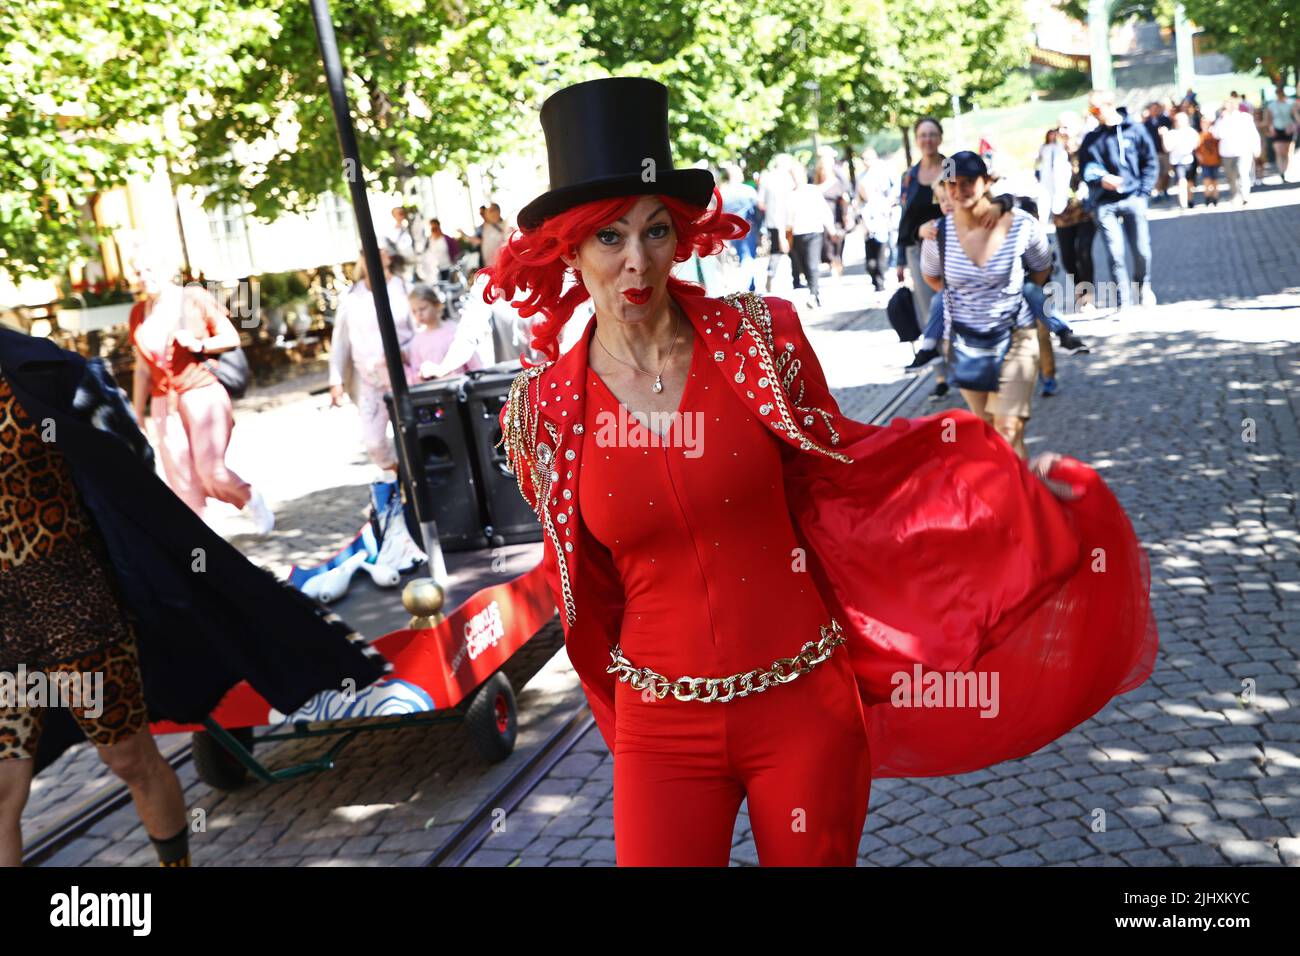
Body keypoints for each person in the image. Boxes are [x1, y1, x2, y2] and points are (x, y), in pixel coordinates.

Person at [487, 76, 1158, 867]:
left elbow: (850, 470)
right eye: (609, 236)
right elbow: (584, 584)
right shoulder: (542, 413)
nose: (637, 261)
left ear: (684, 235)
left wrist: (1000, 489)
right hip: (660, 726)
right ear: (568, 245)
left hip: (800, 705)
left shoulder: (758, 339)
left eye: (657, 230)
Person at [0, 328, 387, 867]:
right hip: (5, 631)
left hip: (74, 607)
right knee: (2, 789)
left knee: (128, 758)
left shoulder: (38, 372)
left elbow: (126, 455)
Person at [127, 241, 274, 532]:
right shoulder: (138, 314)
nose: (144, 276)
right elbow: (142, 368)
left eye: (149, 268)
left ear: (167, 269)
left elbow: (230, 337)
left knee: (211, 471)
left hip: (201, 392)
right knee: (181, 478)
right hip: (162, 402)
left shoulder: (192, 297)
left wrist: (198, 344)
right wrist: (136, 412)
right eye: (138, 271)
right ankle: (205, 542)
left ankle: (248, 498)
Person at [920, 152, 1053, 459]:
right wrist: (967, 299)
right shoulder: (937, 234)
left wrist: (1005, 293)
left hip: (1015, 335)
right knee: (989, 430)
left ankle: (1022, 505)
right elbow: (931, 277)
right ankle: (1014, 498)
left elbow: (1041, 268)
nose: (959, 191)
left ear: (986, 182)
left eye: (968, 182)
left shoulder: (1021, 224)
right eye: (951, 184)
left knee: (1008, 429)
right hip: (965, 342)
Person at [328, 249, 416, 472]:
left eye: (378, 252)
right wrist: (335, 379)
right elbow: (340, 341)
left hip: (405, 377)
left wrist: (406, 352)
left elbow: (421, 332)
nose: (372, 258)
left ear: (388, 256)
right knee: (374, 443)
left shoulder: (404, 289)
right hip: (370, 381)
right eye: (366, 253)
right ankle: (396, 476)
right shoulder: (351, 296)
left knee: (413, 438)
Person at [1079, 89, 1158, 310]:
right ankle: (1123, 301)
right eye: (1090, 109)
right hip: (1105, 203)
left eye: (1096, 108)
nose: (1093, 113)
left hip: (1134, 198)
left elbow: (1150, 162)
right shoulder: (1091, 139)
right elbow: (1085, 169)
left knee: (1142, 250)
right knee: (1115, 254)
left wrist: (1143, 194)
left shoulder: (1135, 130)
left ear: (1109, 104)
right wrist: (1100, 180)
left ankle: (1143, 285)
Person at [404, 284, 484, 383]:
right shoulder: (417, 341)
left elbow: (474, 365)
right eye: (414, 311)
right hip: (434, 393)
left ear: (436, 305)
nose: (418, 314)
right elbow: (416, 371)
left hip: (460, 388)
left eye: (422, 308)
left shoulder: (455, 330)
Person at [787, 163, 834, 308]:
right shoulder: (790, 194)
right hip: (797, 234)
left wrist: (830, 228)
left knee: (812, 264)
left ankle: (813, 295)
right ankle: (814, 292)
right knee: (803, 265)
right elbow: (787, 218)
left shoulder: (813, 190)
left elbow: (824, 210)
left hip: (814, 231)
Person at [855, 148, 897, 293]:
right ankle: (875, 278)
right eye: (864, 159)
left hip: (881, 219)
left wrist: (888, 205)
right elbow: (858, 199)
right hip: (867, 221)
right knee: (870, 259)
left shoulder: (883, 175)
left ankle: (881, 281)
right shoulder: (861, 177)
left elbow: (893, 191)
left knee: (881, 254)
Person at [1214, 94, 1262, 206]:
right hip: (1226, 152)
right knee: (1231, 176)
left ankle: (1245, 195)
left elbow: (1253, 133)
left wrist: (1256, 147)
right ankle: (1235, 194)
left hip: (1242, 151)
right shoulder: (1222, 119)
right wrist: (1222, 119)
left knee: (1242, 173)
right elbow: (1217, 134)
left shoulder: (1244, 117)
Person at [719, 163, 761, 292]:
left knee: (743, 255)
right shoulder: (748, 190)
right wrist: (761, 228)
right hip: (748, 227)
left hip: (732, 229)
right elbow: (757, 210)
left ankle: (751, 285)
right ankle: (747, 287)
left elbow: (720, 212)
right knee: (747, 256)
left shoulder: (723, 192)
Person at [757, 155, 796, 292]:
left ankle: (771, 273)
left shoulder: (766, 178)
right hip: (788, 219)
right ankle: (796, 278)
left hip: (771, 220)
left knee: (775, 249)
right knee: (793, 247)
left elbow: (761, 203)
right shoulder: (788, 178)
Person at [1163, 111, 1201, 210]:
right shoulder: (1171, 133)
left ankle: (1190, 200)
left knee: (1190, 182)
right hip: (1177, 162)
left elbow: (1196, 145)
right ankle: (1183, 204)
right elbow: (1167, 148)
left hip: (1189, 160)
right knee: (1181, 181)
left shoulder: (1191, 132)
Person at [1195, 117, 1223, 206]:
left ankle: (1215, 197)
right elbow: (1197, 149)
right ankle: (1207, 196)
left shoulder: (1213, 135)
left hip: (1215, 161)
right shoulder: (1200, 136)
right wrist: (1199, 158)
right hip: (1205, 162)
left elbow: (1219, 146)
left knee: (1214, 180)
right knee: (1206, 179)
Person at [477, 203, 510, 274]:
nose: (487, 214)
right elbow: (479, 242)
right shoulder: (484, 227)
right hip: (489, 267)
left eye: (490, 211)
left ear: (497, 212)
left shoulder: (506, 225)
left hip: (503, 267)